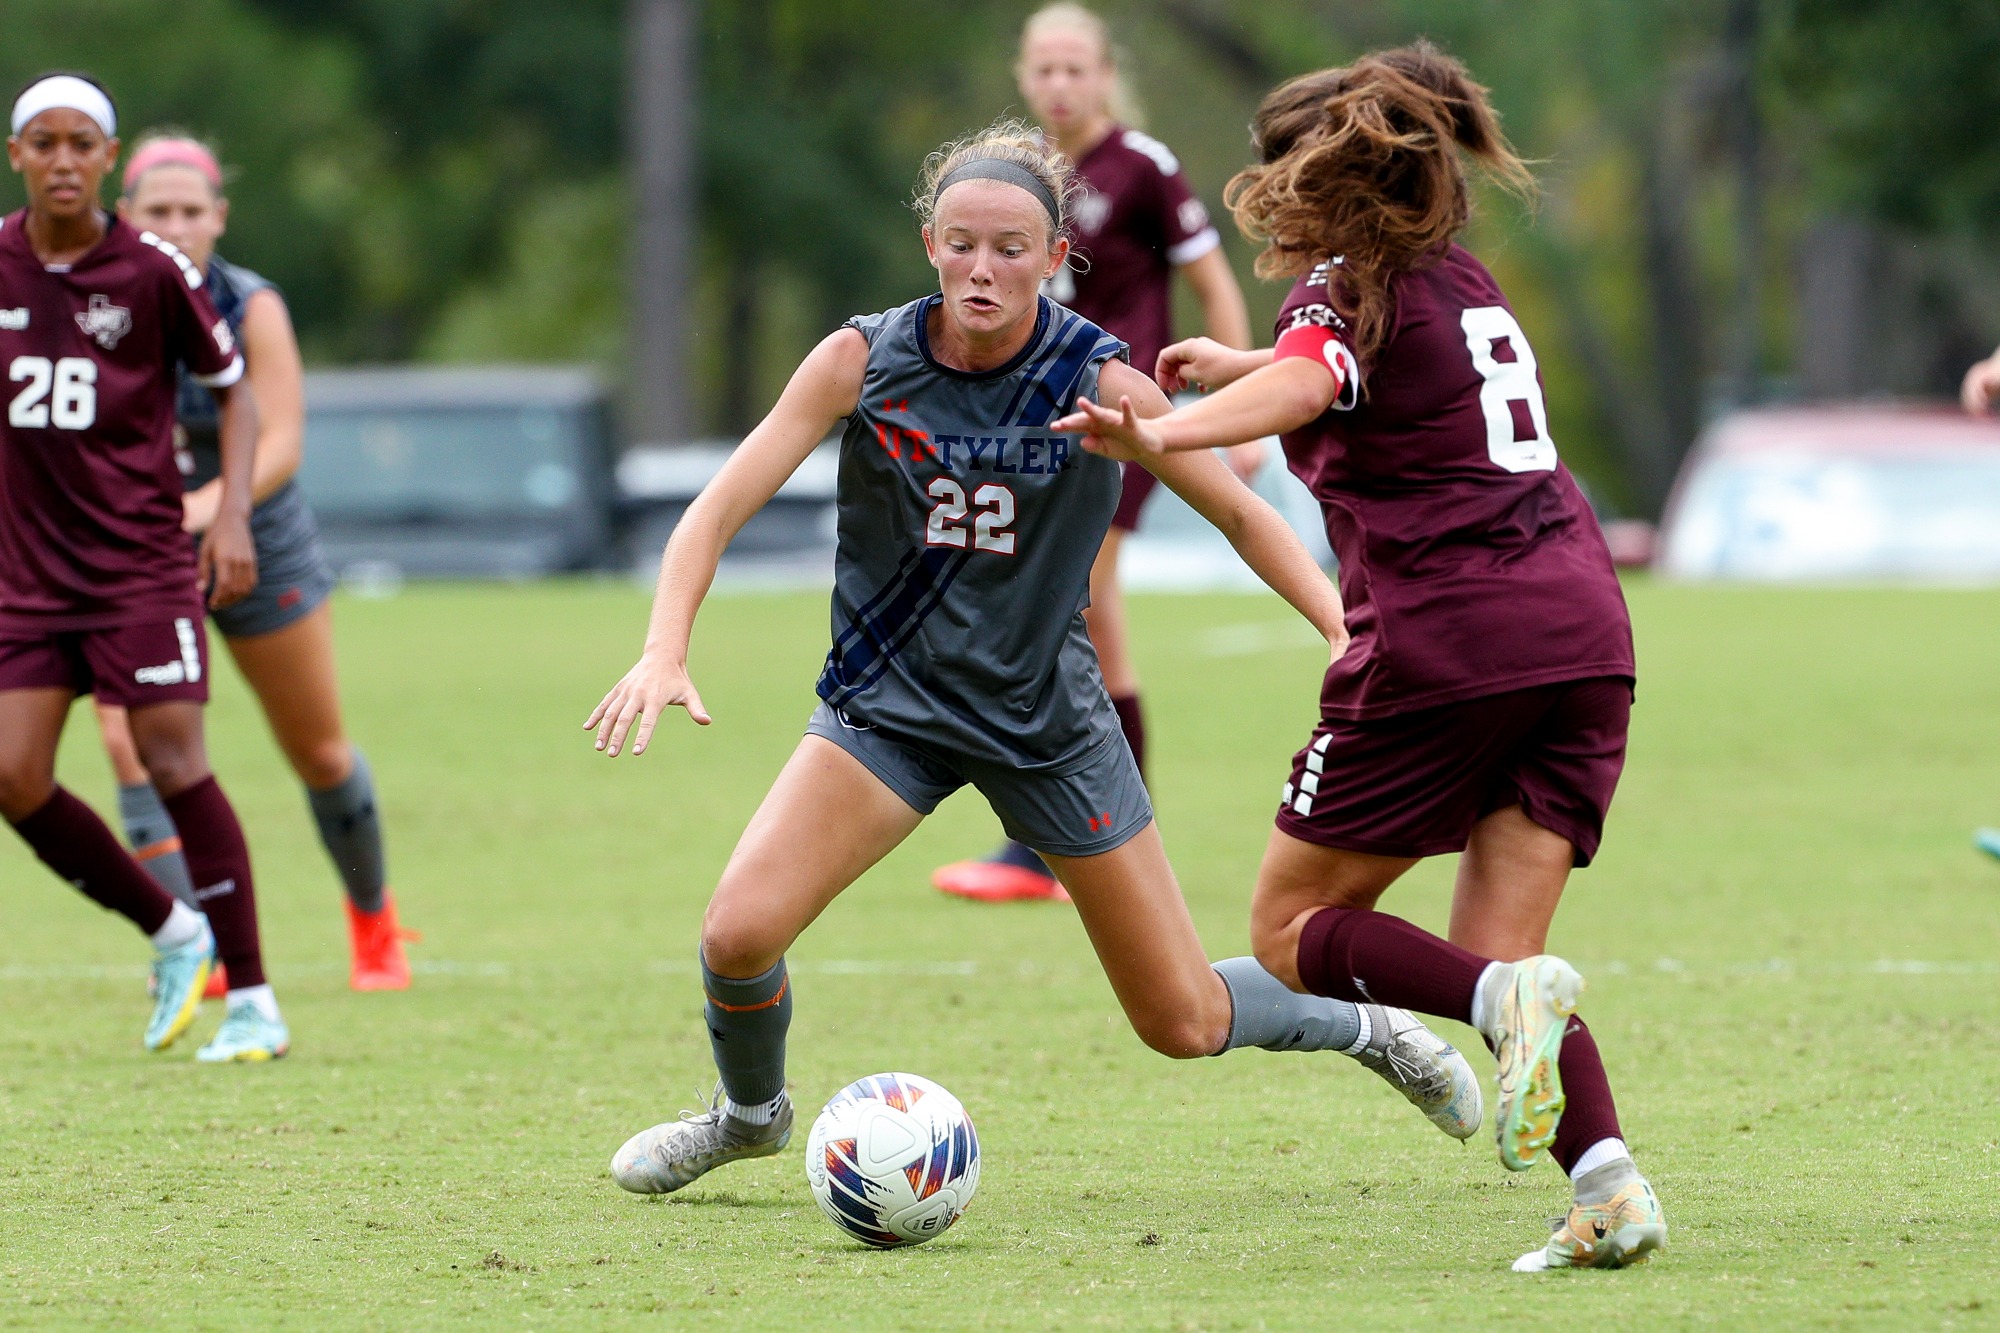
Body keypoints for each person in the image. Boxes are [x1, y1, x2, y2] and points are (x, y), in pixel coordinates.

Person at [587, 121, 1491, 1196]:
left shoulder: (1097, 377)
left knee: (1182, 1019)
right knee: (736, 934)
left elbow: (1245, 518)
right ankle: (748, 1115)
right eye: (962, 244)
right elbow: (714, 510)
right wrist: (663, 648)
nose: (983, 268)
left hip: (1047, 726)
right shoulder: (859, 359)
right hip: (888, 711)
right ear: (929, 245)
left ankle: (1365, 1026)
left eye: (1011, 249)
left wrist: (1343, 629)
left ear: (1057, 254)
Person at [1052, 45, 1666, 1271]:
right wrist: (1245, 366)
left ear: (1320, 182)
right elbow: (1336, 379)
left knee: (1291, 925)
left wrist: (1167, 430)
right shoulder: (1459, 278)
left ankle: (1503, 1015)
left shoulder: (1342, 283)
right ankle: (1609, 1187)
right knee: (1496, 961)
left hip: (1451, 635)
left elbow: (1306, 384)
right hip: (1581, 634)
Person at [932, 3, 1262, 903]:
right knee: (1074, 610)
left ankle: (1074, 839)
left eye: (1076, 68)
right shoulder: (1019, 174)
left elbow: (1213, 285)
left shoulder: (1142, 167)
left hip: (1120, 416)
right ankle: (1095, 834)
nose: (1060, 84)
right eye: (1044, 69)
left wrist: (1237, 418)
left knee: (1069, 601)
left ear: (1106, 74)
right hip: (1036, 420)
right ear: (1023, 75)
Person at [0, 73, 288, 1060]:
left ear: (108, 159)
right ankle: (172, 931)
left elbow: (235, 392)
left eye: (82, 143)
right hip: (27, 578)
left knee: (174, 763)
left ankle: (253, 998)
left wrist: (233, 514)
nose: (63, 160)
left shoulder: (152, 270)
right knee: (13, 774)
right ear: (17, 155)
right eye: (44, 142)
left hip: (137, 566)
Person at [91, 132, 411, 992]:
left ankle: (375, 921)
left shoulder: (250, 305)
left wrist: (198, 511)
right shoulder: (94, 304)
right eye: (156, 211)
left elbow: (281, 444)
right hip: (137, 551)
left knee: (319, 751)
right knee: (130, 743)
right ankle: (201, 950)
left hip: (257, 538)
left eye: (191, 211)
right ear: (124, 215)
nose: (175, 225)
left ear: (219, 217)